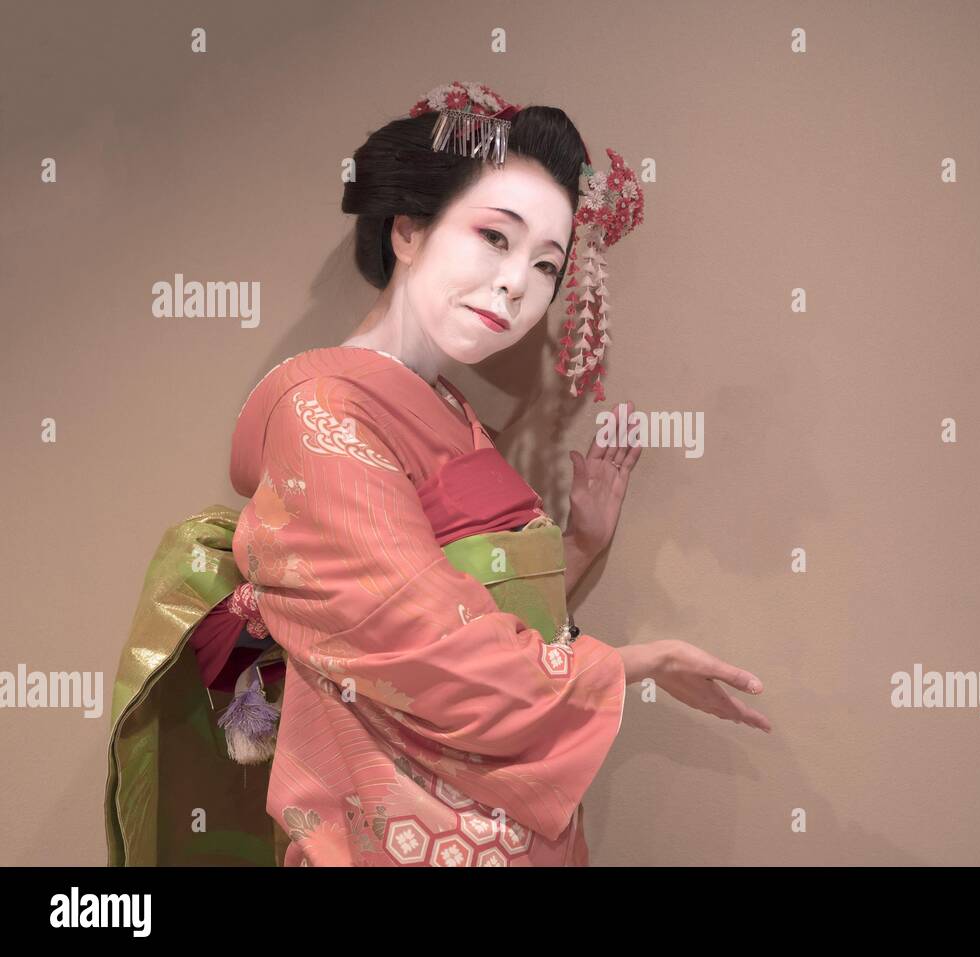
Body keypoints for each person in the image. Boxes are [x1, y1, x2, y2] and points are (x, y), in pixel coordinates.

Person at [106, 85, 769, 867]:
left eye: (546, 264)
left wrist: (578, 547)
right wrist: (629, 665)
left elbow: (477, 600)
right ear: (410, 228)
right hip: (401, 836)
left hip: (506, 831)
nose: (518, 282)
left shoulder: (450, 409)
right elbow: (418, 638)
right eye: (495, 236)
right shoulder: (321, 412)